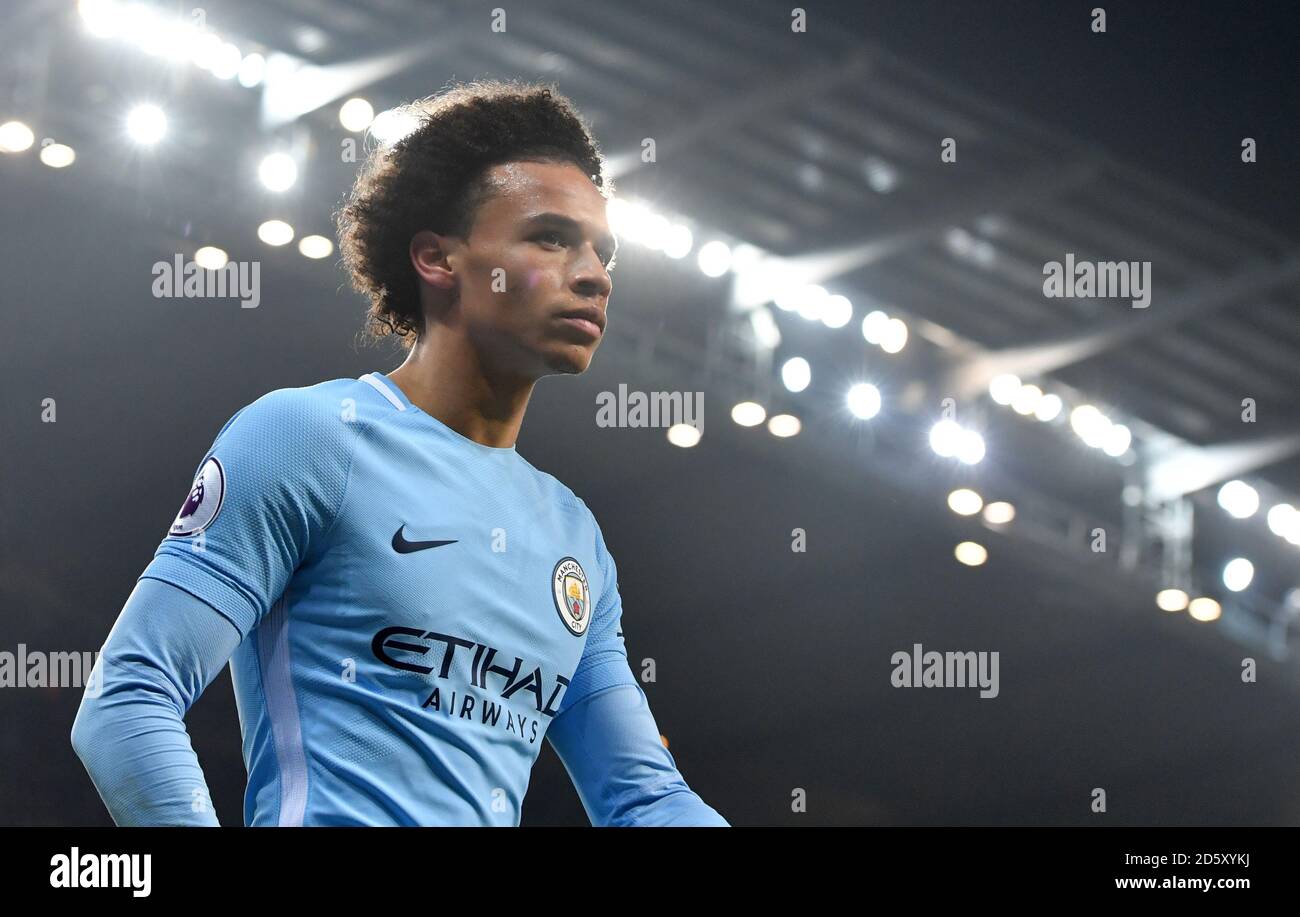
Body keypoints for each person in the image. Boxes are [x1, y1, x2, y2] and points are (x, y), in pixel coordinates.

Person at [71, 79, 728, 827]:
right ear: (436, 259)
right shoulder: (307, 437)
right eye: (550, 238)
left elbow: (647, 798)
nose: (595, 275)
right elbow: (128, 698)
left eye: (603, 252)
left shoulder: (574, 539)